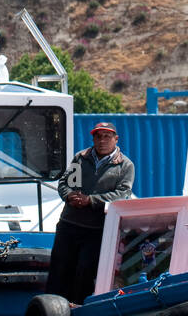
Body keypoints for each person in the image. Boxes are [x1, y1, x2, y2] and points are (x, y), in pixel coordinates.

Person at [47, 122, 135, 304]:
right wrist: (69, 196)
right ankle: (51, 309)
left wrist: (91, 200)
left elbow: (121, 194)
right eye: (98, 136)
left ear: (116, 139)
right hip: (69, 225)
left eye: (107, 136)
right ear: (93, 138)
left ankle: (77, 309)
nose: (102, 140)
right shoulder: (81, 158)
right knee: (59, 270)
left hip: (97, 230)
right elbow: (66, 183)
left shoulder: (125, 166)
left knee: (85, 273)